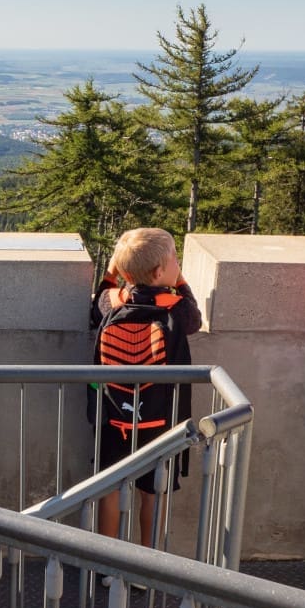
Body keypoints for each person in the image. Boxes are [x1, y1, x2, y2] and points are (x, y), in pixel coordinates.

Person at [90, 227, 202, 546]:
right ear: (159, 271)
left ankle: (106, 561)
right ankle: (146, 564)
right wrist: (180, 280)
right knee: (152, 493)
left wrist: (112, 272)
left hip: (114, 417)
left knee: (109, 489)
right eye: (174, 260)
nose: (177, 264)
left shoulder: (112, 302)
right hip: (160, 420)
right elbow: (195, 318)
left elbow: (96, 303)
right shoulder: (176, 308)